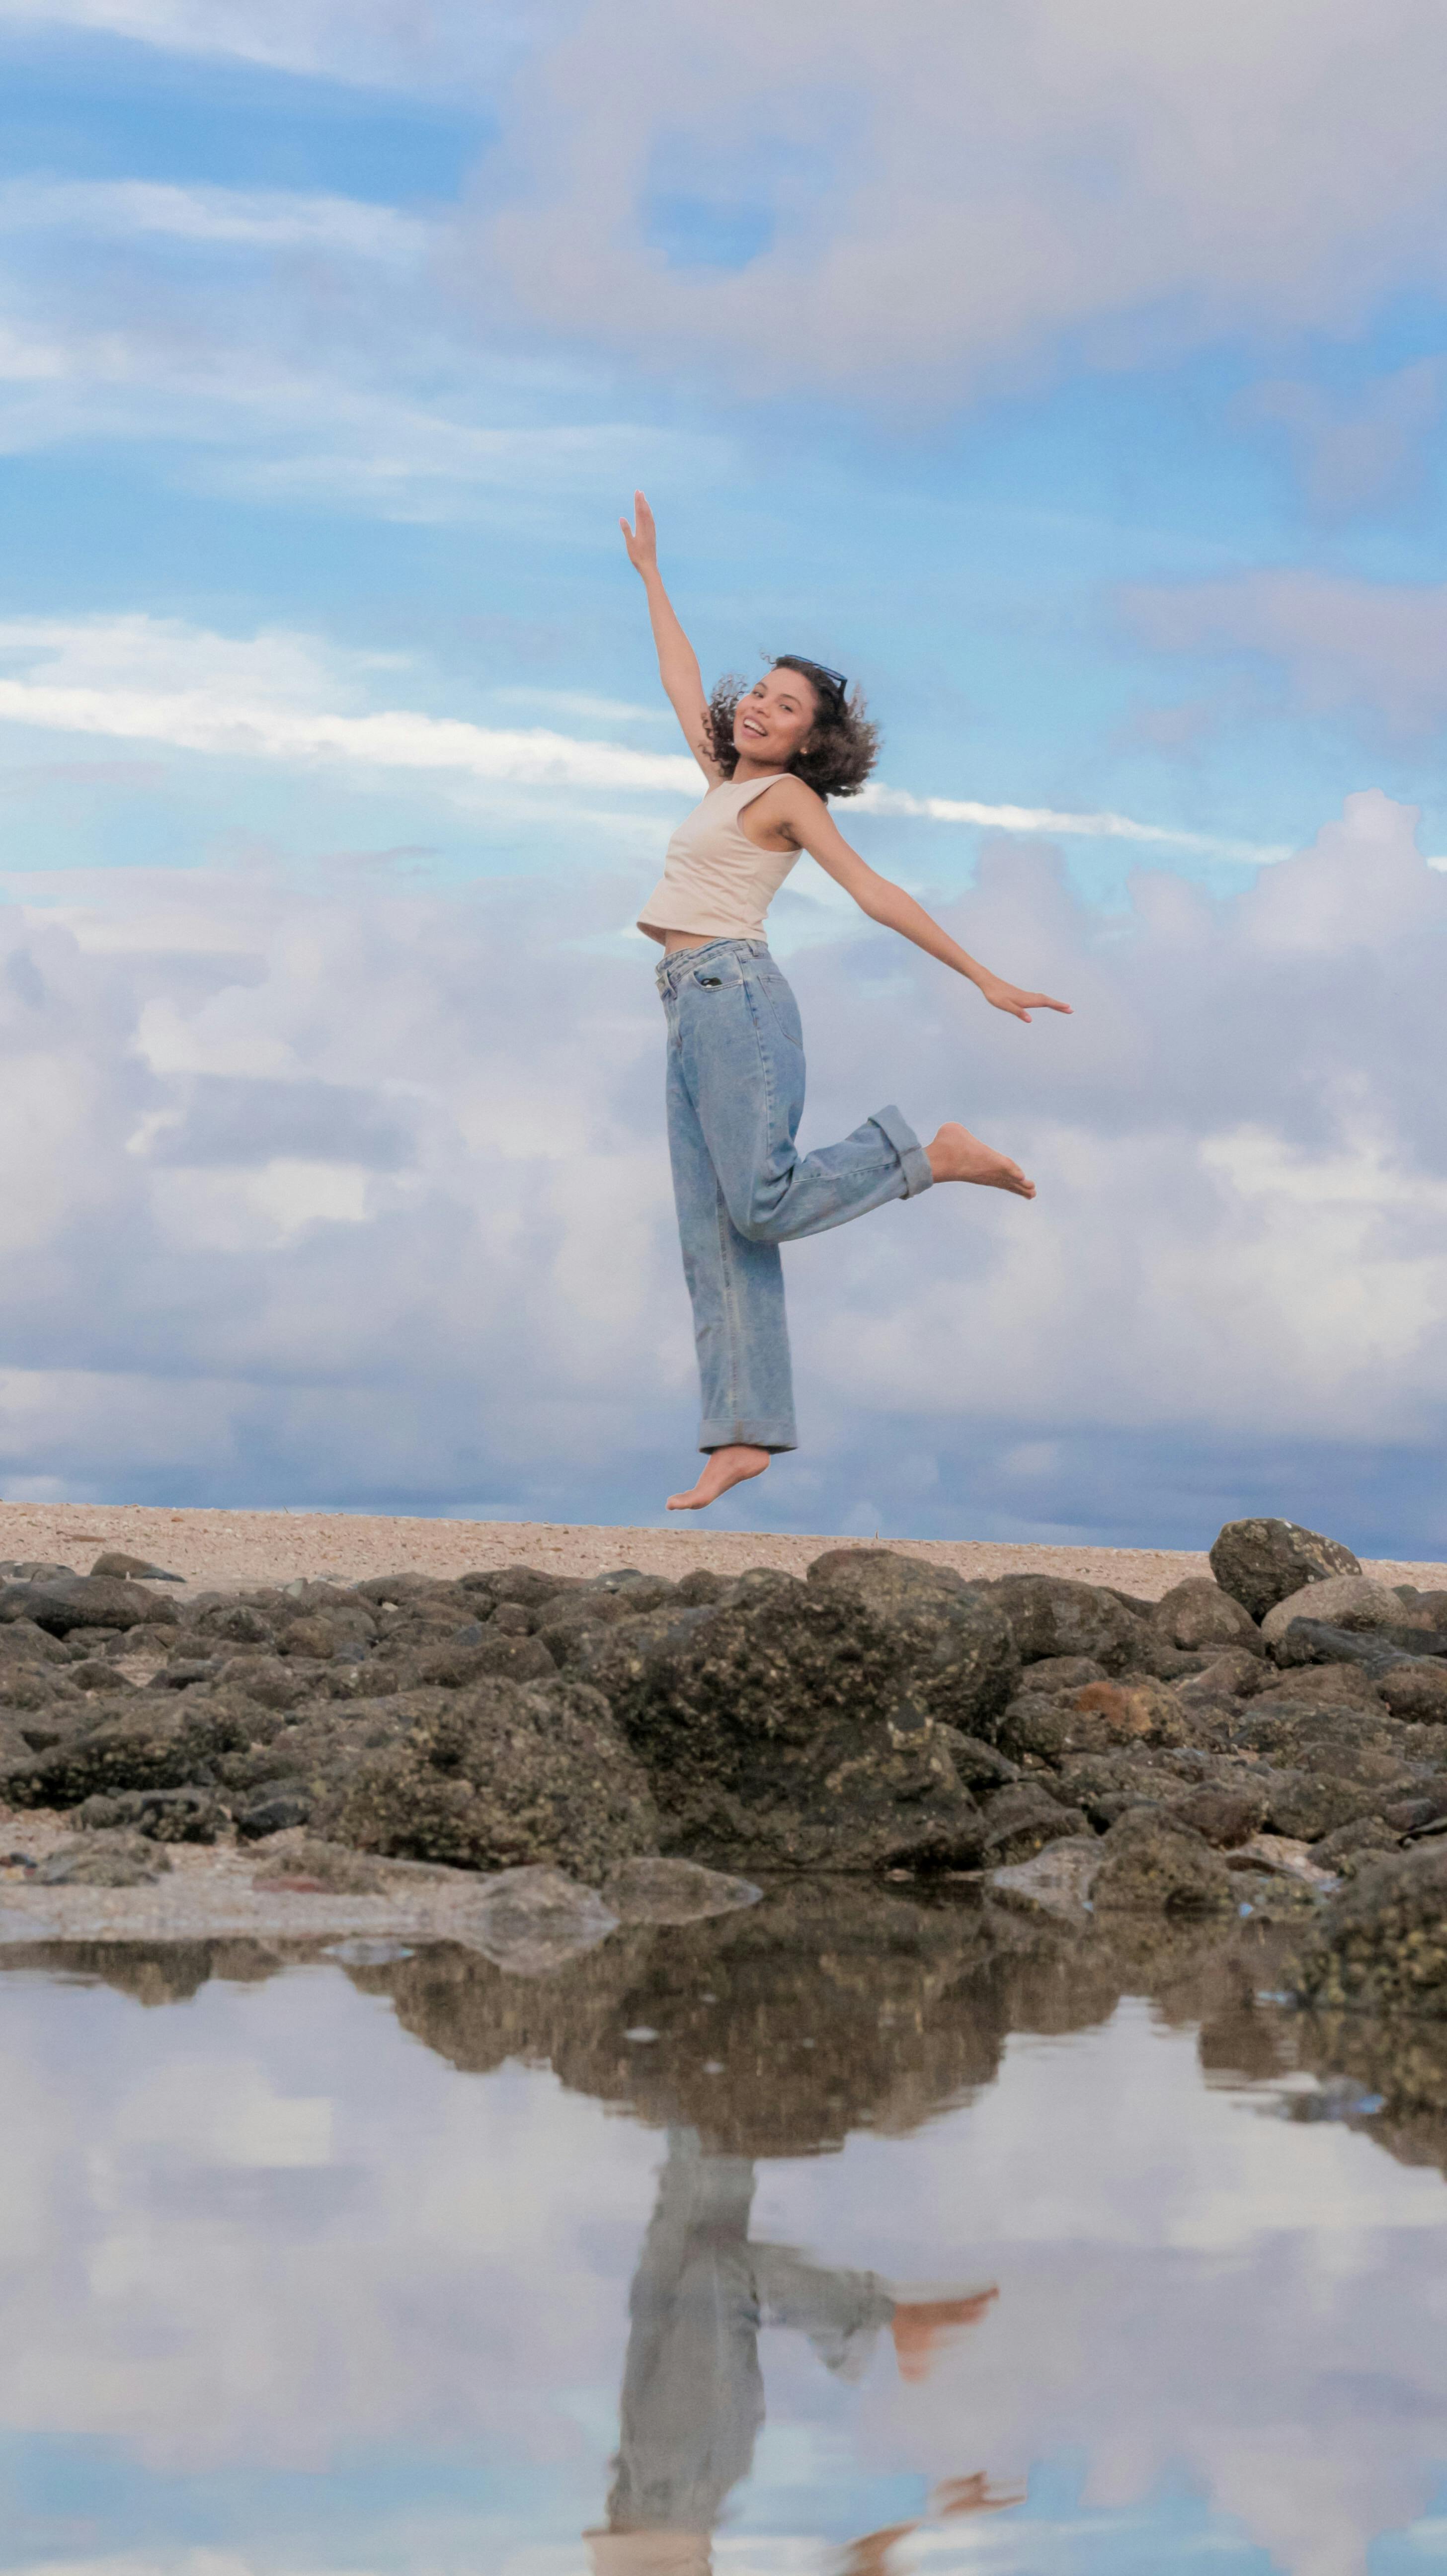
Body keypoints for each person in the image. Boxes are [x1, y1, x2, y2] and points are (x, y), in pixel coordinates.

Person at [621, 492, 1071, 1514]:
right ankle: (741, 1434)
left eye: (785, 709)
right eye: (761, 695)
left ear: (810, 745)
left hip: (737, 997)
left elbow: (871, 892)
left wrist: (983, 976)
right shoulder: (721, 782)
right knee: (717, 1227)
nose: (760, 710)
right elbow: (680, 679)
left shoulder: (786, 801)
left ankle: (928, 1154)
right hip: (687, 1006)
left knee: (762, 1201)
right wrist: (651, 575)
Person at [583, 2126, 1013, 2576]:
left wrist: (936, 2516)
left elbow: (856, 2561)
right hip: (680, 2489)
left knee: (693, 2210)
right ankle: (886, 2315)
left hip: (640, 2484)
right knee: (721, 2272)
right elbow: (859, 2564)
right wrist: (939, 2517)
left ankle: (713, 2081)